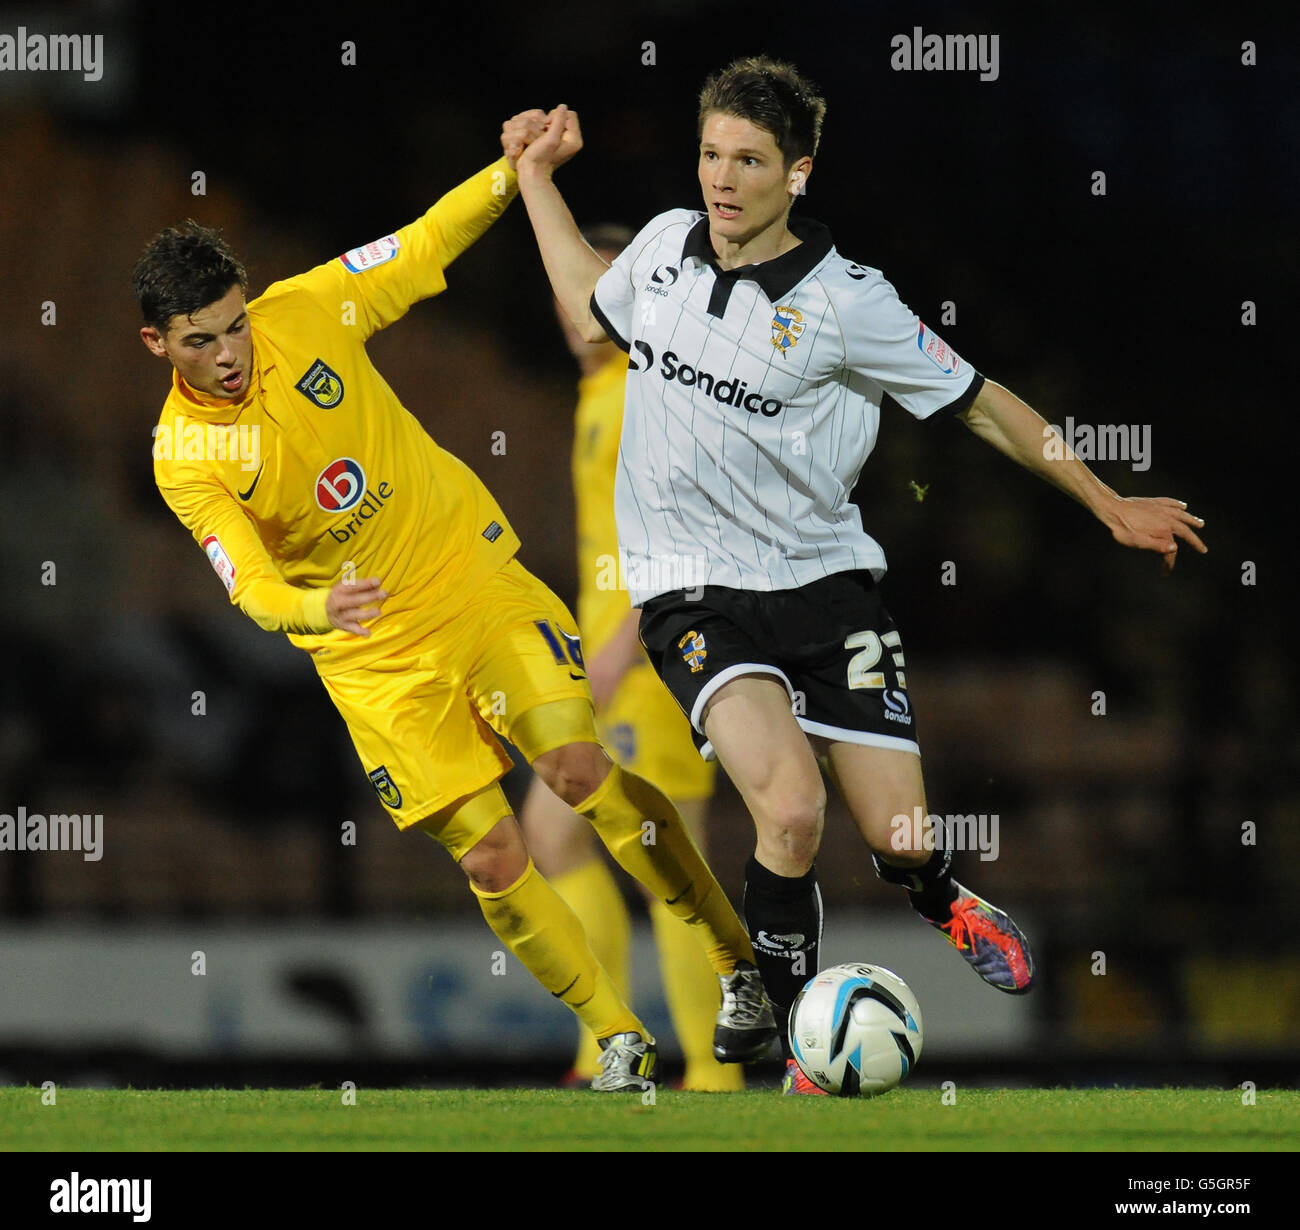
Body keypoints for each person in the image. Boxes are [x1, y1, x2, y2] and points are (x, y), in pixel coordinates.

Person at [508, 57, 1207, 1092]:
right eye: (710, 154)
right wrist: (533, 177)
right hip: (693, 593)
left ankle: (935, 891)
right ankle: (786, 1024)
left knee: (901, 833)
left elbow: (979, 400)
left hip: (826, 585)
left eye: (747, 159)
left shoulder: (848, 304)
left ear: (797, 172)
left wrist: (1105, 499)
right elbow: (580, 292)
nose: (722, 178)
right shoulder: (659, 249)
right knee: (788, 810)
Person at [135, 113, 777, 1093]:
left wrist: (510, 171)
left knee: (573, 767)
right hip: (369, 654)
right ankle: (612, 1036)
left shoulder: (307, 309)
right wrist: (316, 612)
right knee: (493, 859)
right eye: (199, 341)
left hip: (467, 582)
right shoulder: (183, 458)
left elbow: (425, 241)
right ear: (156, 345)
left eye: (235, 325)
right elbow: (248, 582)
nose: (229, 352)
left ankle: (733, 958)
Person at [519, 224, 742, 1092]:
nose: (584, 303)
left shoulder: (646, 394)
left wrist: (618, 647)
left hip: (653, 660)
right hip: (608, 664)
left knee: (666, 869)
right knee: (553, 838)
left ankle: (715, 1080)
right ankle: (605, 1055)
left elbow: (688, 536)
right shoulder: (601, 392)